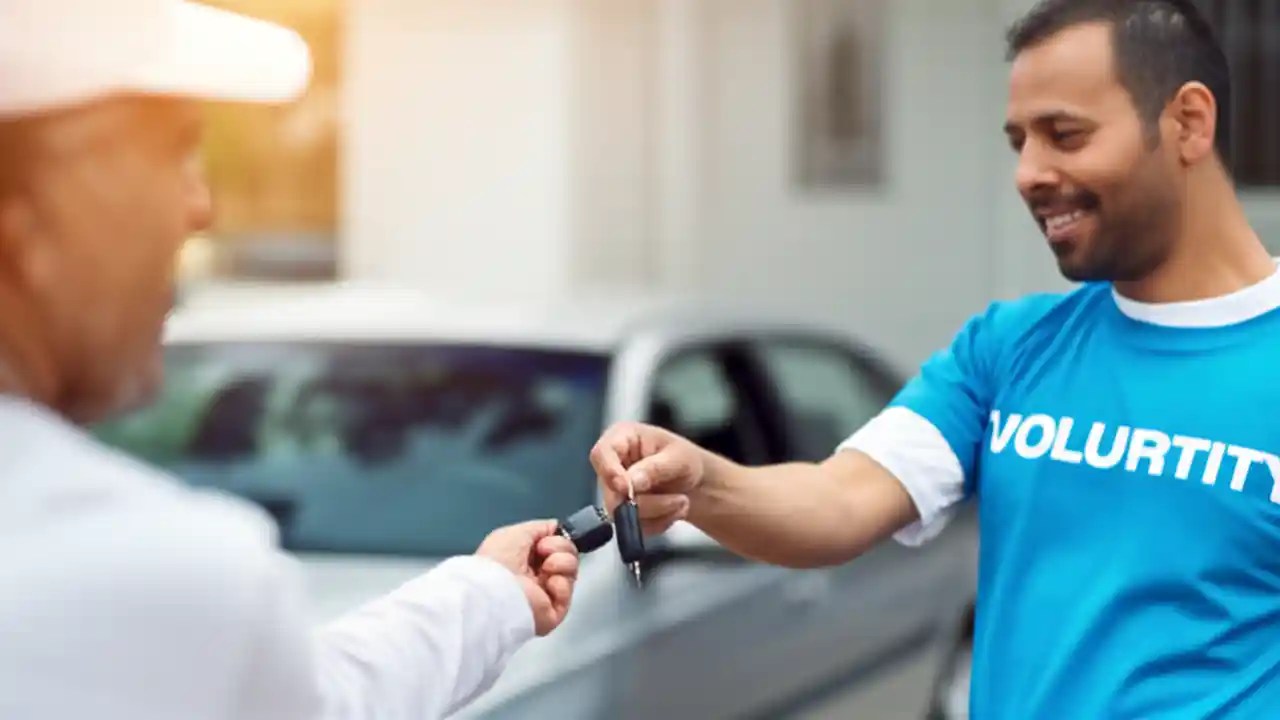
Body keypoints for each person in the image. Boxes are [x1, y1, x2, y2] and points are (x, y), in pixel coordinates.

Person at [591, 1, 1280, 717]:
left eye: (1065, 135)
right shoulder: (1008, 348)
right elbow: (836, 502)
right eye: (1020, 142)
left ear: (1188, 122)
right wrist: (700, 477)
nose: (1030, 173)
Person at [0, 1, 579, 718]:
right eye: (173, 152)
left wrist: (488, 593)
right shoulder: (164, 575)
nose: (199, 206)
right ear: (24, 219)